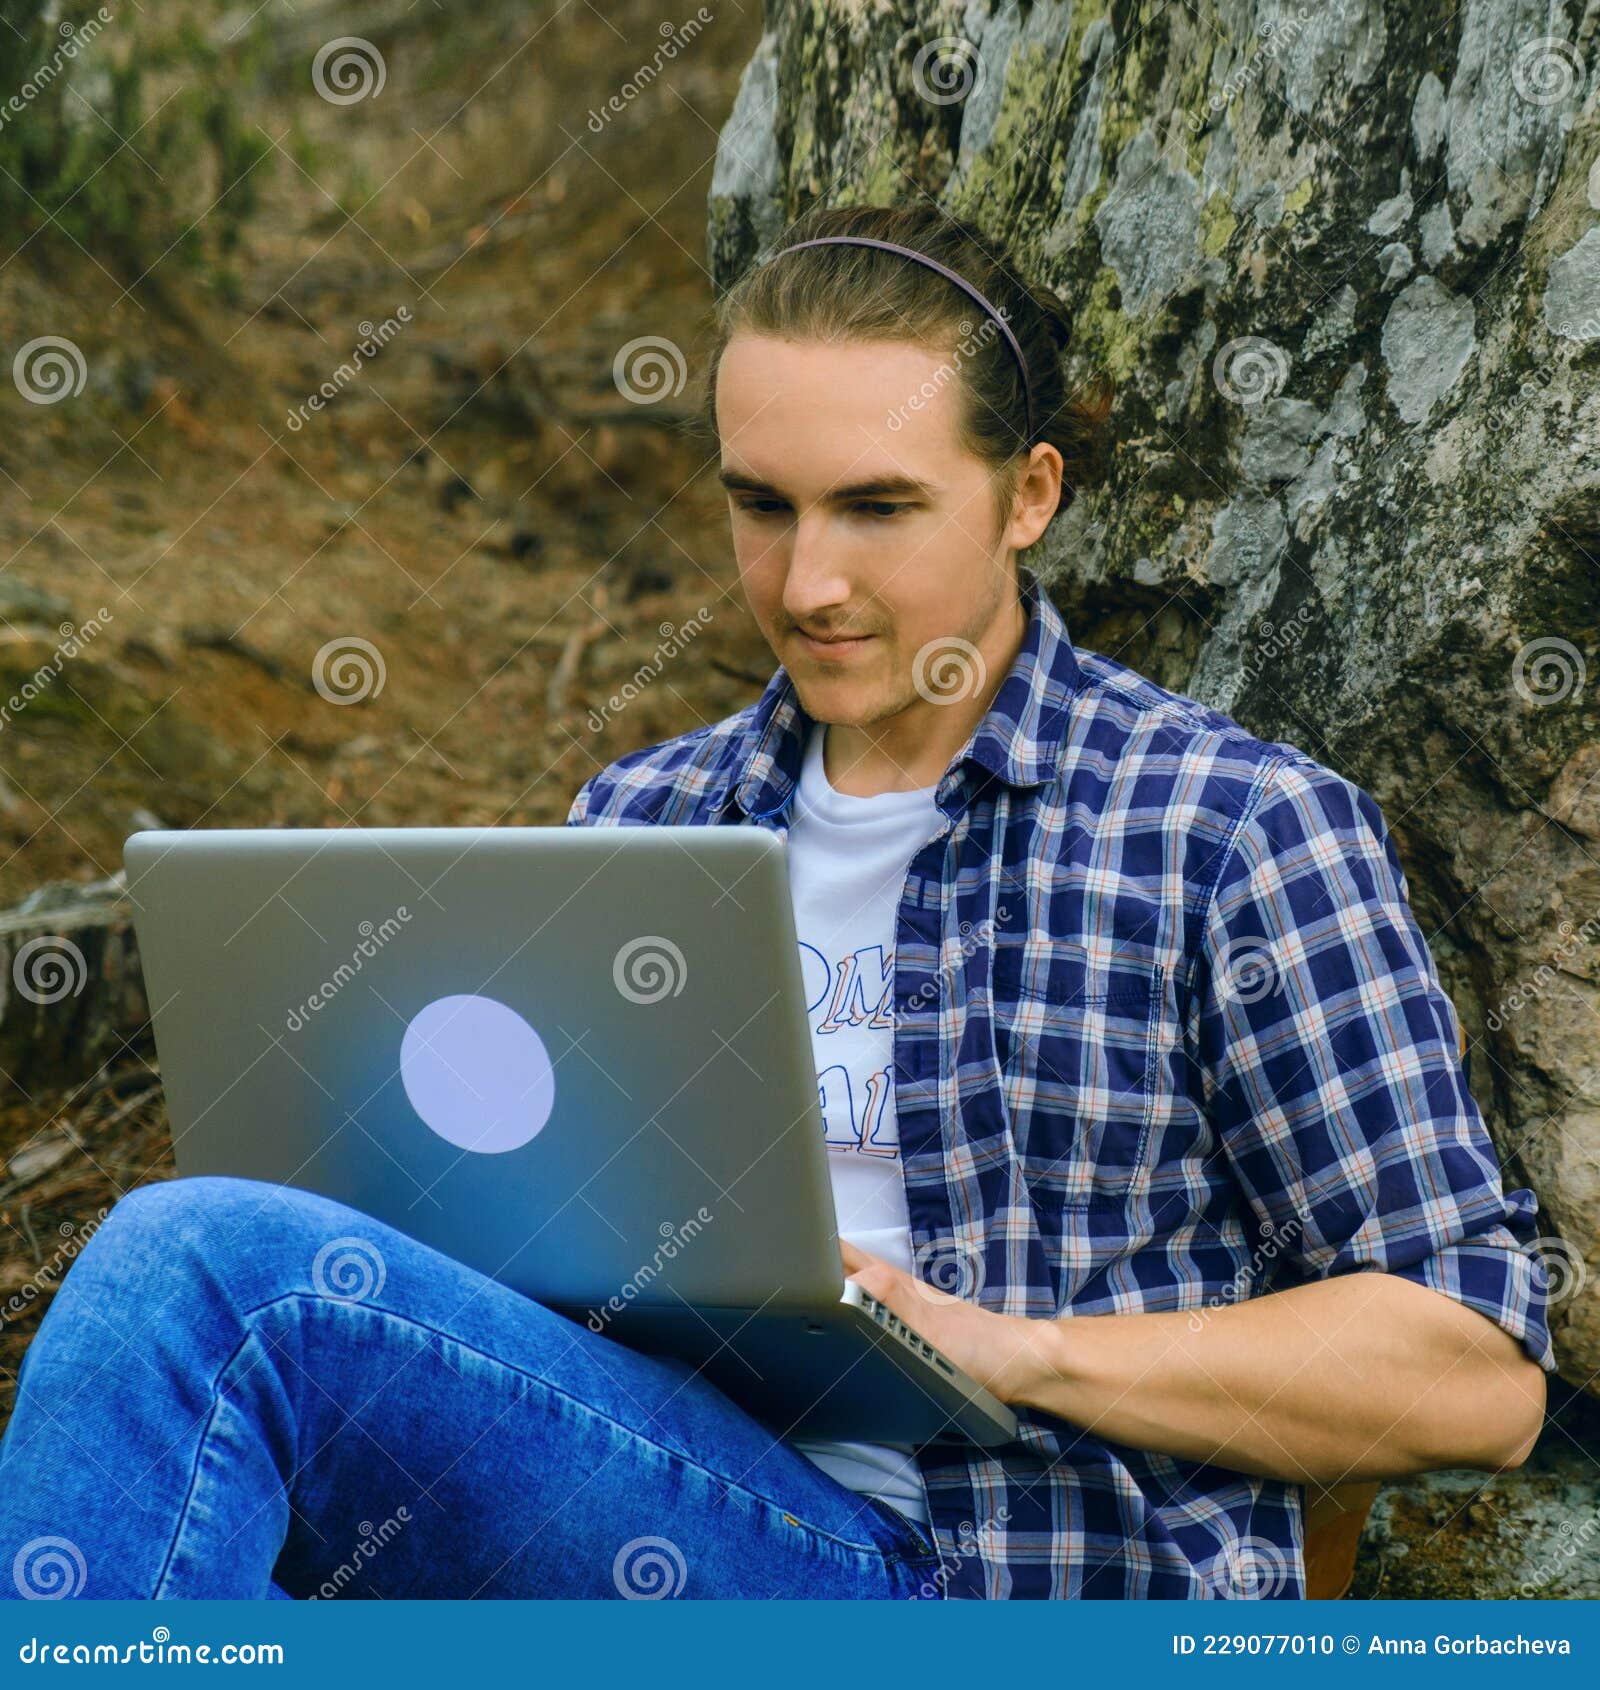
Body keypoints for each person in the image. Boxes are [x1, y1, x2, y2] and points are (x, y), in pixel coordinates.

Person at [0, 202, 1552, 1601]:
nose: (808, 581)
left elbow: (1479, 1370)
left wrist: (1018, 1349)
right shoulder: (645, 821)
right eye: (762, 505)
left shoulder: (1231, 831)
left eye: (878, 508)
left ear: (1028, 495)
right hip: (674, 1510)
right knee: (211, 1385)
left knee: (199, 1273)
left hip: (1005, 1584)